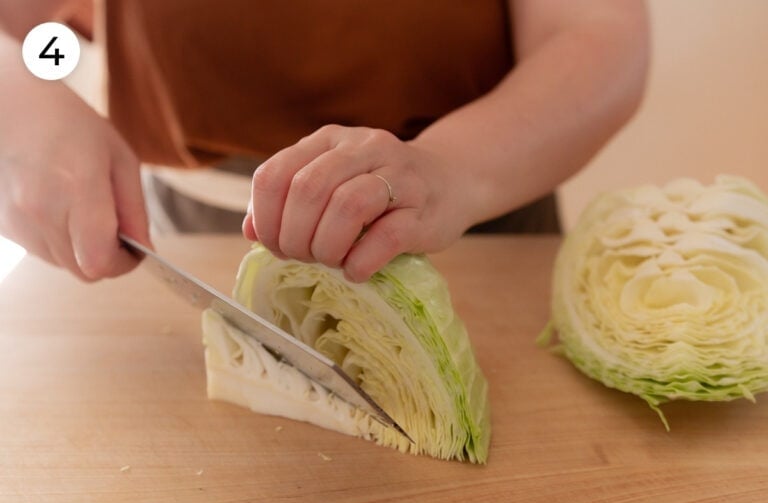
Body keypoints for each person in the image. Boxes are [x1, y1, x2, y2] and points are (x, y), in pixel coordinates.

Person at [0, 0, 650, 283]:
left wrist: (451, 168)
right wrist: (16, 100)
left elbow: (596, 27)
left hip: (478, 221)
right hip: (176, 229)